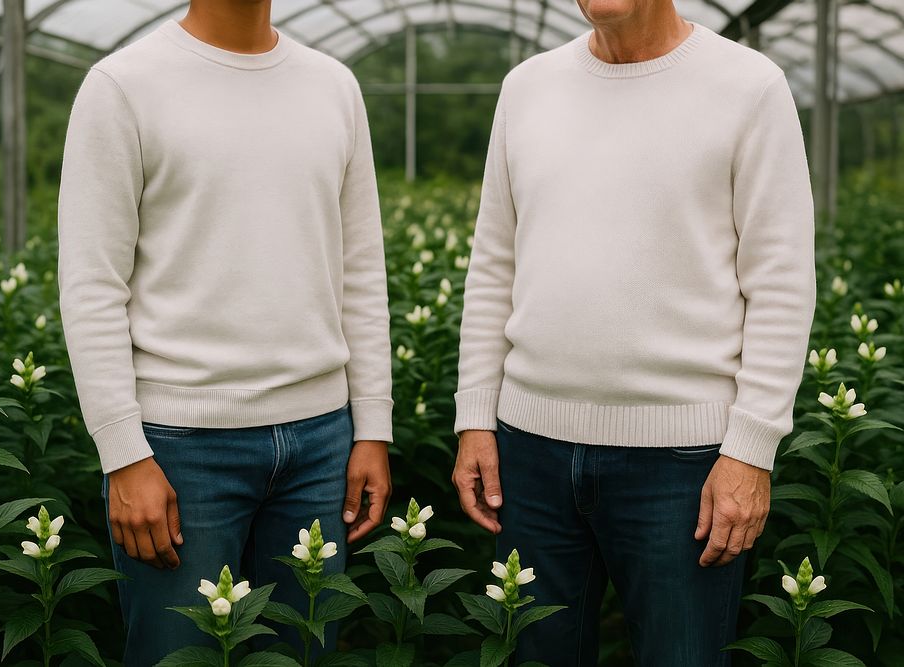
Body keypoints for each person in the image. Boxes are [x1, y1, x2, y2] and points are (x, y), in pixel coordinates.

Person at [451, 1, 815, 665]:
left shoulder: (749, 87)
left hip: (686, 465)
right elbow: (494, 263)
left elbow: (782, 282)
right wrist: (475, 417)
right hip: (528, 453)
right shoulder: (526, 87)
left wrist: (751, 449)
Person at [56, 1, 393, 664]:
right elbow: (92, 284)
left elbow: (360, 270)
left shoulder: (334, 86)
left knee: (303, 653)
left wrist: (373, 428)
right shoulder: (122, 85)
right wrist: (124, 453)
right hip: (178, 450)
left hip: (322, 444)